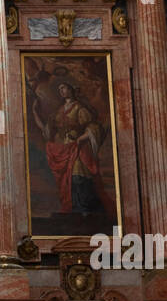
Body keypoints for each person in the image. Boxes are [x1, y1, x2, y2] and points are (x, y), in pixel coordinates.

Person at [32, 81, 116, 220]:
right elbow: (46, 130)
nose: (62, 91)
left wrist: (80, 139)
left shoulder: (80, 108)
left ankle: (83, 208)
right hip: (64, 149)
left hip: (78, 148)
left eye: (64, 87)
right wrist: (35, 111)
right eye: (60, 89)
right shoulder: (59, 111)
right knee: (66, 179)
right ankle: (72, 208)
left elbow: (94, 128)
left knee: (78, 174)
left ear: (71, 90)